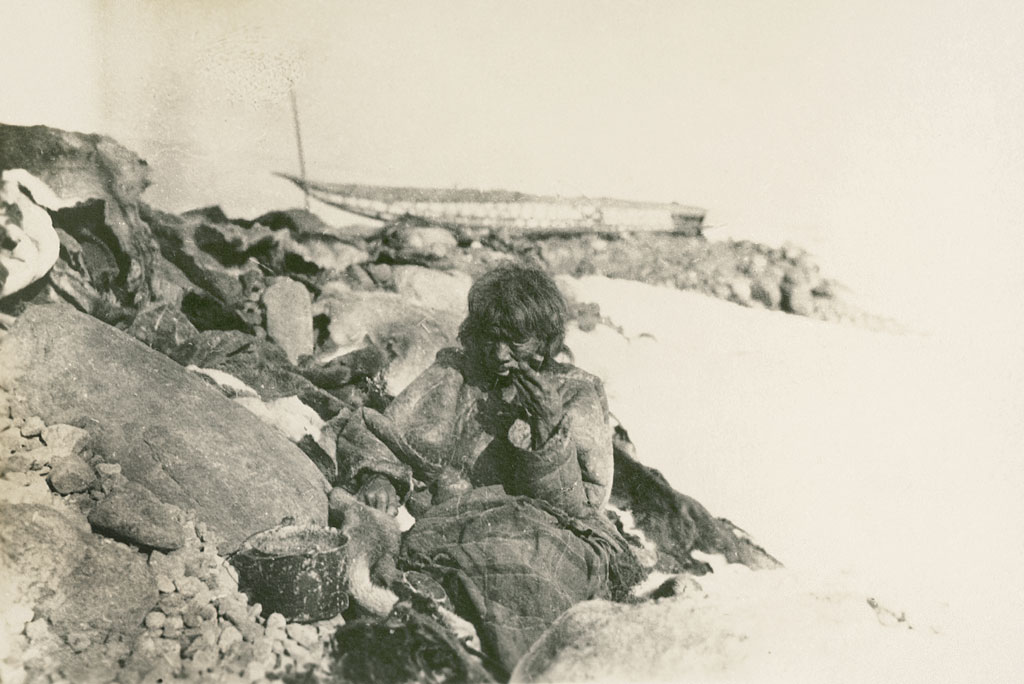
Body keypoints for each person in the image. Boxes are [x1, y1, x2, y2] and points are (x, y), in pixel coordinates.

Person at [335, 262, 640, 676]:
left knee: (531, 575)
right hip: (452, 526)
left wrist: (549, 429)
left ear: (545, 340)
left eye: (516, 341)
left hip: (539, 533)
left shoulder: (575, 392)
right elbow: (387, 430)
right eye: (491, 337)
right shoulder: (456, 374)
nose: (499, 354)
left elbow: (579, 510)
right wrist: (380, 476)